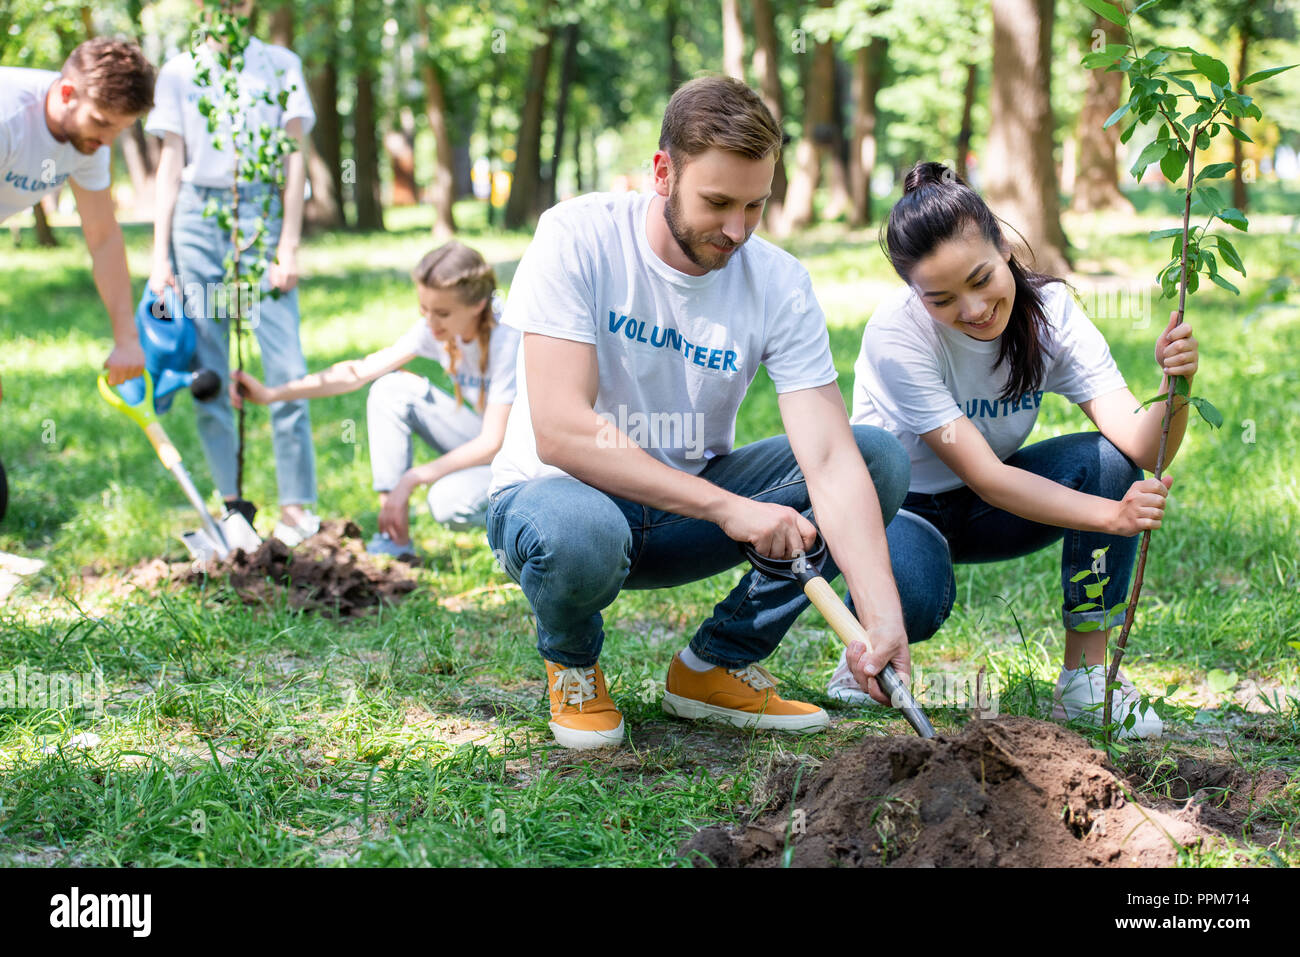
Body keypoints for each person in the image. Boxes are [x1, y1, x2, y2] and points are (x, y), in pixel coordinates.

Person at [486, 76, 912, 751]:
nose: (737, 229)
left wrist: (882, 615)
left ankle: (713, 667)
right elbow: (562, 428)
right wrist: (726, 508)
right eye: (717, 203)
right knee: (579, 531)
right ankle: (572, 666)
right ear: (664, 172)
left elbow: (830, 459)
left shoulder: (778, 281)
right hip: (561, 502)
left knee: (876, 456)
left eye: (756, 205)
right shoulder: (577, 235)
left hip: (682, 513)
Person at [829, 161, 1199, 739]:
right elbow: (987, 477)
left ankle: (1085, 678)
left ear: (1004, 247)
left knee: (1107, 463)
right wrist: (1114, 516)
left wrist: (1177, 384)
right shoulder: (897, 337)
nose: (973, 310)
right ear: (913, 294)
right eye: (942, 299)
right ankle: (868, 647)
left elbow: (1142, 444)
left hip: (987, 512)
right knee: (917, 603)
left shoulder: (1051, 313)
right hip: (900, 512)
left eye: (981, 280)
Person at [146, 2, 319, 545]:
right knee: (209, 373)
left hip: (262, 213)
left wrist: (288, 243)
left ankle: (297, 511)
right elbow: (171, 162)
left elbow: (293, 156)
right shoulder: (178, 71)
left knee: (285, 363)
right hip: (198, 218)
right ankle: (232, 508)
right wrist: (159, 257)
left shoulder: (279, 65)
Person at [232, 242, 519, 557]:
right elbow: (357, 372)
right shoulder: (436, 329)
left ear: (478, 305)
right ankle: (394, 539)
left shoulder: (509, 337)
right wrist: (272, 394)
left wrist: (412, 479)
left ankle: (527, 536)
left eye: (442, 313)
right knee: (389, 389)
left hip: (524, 460)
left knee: (448, 502)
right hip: (485, 439)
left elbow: (494, 442)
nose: (431, 322)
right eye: (424, 310)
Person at [0, 37, 154, 386]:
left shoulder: (89, 142)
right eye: (102, 123)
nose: (108, 142)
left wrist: (127, 339)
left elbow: (103, 238)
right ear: (67, 93)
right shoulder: (7, 115)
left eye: (119, 128)